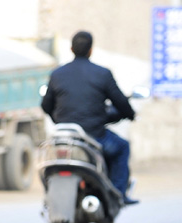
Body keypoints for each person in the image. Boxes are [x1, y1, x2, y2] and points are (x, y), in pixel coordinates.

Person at [41, 30, 138, 205]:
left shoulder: (57, 74)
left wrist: (58, 119)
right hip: (95, 136)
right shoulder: (102, 74)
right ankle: (119, 194)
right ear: (91, 50)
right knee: (122, 147)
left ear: (71, 49)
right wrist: (129, 114)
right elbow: (121, 102)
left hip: (65, 137)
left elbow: (46, 105)